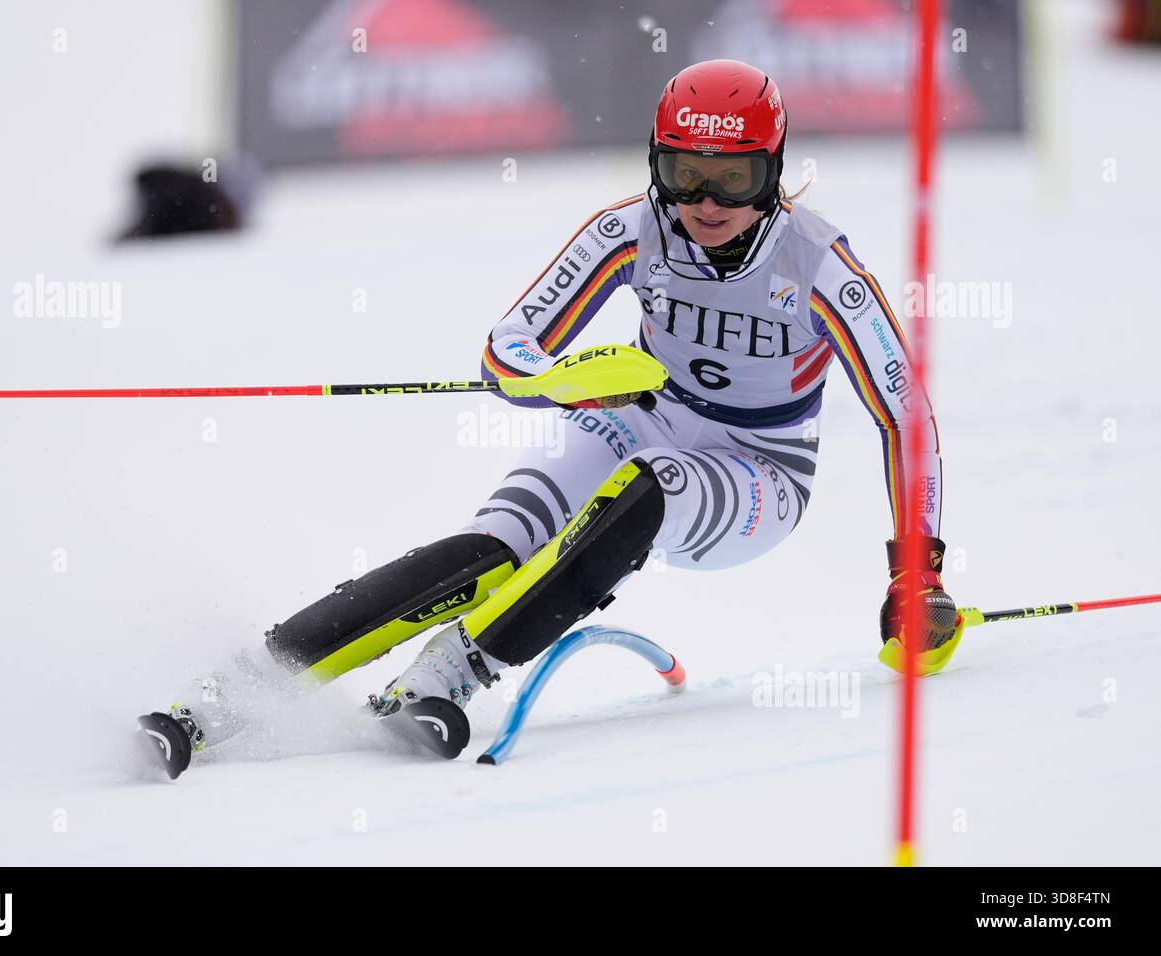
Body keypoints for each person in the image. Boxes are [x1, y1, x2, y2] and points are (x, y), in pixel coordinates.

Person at [137, 59, 957, 778]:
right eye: (681, 171)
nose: (704, 202)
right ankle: (232, 692)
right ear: (655, 163)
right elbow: (506, 351)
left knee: (648, 488)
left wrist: (915, 572)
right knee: (491, 547)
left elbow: (904, 416)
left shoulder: (817, 263)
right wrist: (564, 379)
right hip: (644, 417)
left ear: (771, 171)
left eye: (732, 179)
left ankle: (448, 673)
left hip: (760, 470)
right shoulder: (631, 229)